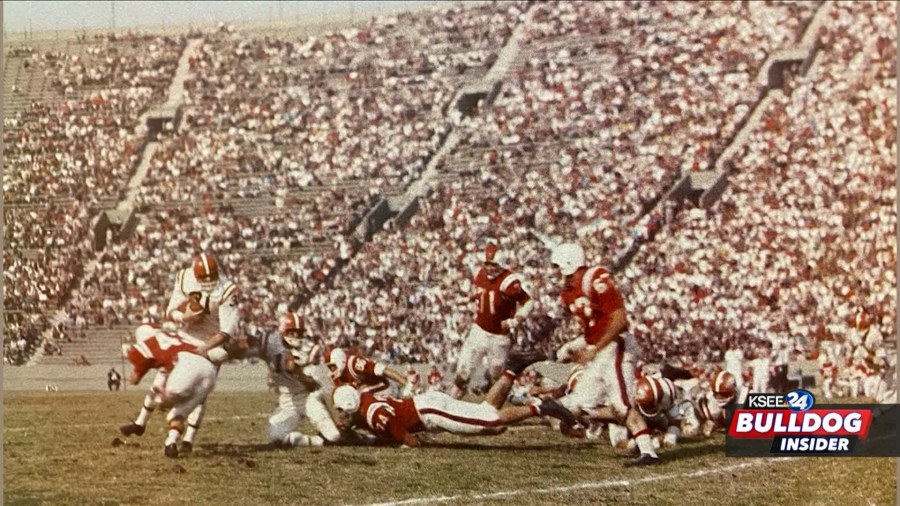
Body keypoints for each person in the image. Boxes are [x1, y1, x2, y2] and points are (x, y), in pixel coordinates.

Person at [120, 252, 243, 454]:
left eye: (212, 276)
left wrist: (203, 350)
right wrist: (183, 315)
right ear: (195, 276)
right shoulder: (184, 278)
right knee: (161, 381)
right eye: (204, 277)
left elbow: (226, 332)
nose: (209, 281)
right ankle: (140, 423)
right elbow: (170, 311)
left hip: (209, 343)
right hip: (184, 336)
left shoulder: (227, 290)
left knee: (196, 393)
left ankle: (185, 440)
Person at [549, 242, 658, 466]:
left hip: (617, 346)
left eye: (558, 266)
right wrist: (578, 346)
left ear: (569, 264)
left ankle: (649, 451)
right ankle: (637, 431)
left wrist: (593, 349)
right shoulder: (568, 294)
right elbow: (592, 328)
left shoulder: (595, 278)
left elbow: (619, 319)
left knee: (620, 405)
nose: (557, 272)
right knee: (583, 404)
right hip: (600, 351)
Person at [331, 352, 574, 447]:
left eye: (342, 412)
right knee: (486, 410)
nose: (340, 416)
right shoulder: (362, 402)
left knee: (491, 423)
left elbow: (411, 442)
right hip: (427, 407)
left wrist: (394, 443)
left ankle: (541, 407)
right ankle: (512, 369)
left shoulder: (374, 414)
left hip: (430, 411)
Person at [451, 244, 538, 399]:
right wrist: (467, 299)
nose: (489, 268)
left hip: (499, 337)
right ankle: (449, 407)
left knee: (496, 377)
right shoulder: (480, 275)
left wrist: (515, 320)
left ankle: (494, 412)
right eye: (487, 264)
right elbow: (483, 293)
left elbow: (529, 302)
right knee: (462, 373)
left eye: (493, 264)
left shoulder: (509, 282)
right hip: (479, 330)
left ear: (501, 264)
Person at [123, 326, 218, 458]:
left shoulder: (147, 346)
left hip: (185, 366)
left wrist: (133, 367)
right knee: (179, 410)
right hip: (209, 370)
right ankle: (170, 443)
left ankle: (148, 425)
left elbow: (134, 379)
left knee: (162, 395)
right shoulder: (174, 337)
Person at [325, 347, 407, 396]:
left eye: (332, 366)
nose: (332, 370)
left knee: (362, 394)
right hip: (371, 393)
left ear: (340, 360)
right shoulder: (336, 378)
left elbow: (384, 370)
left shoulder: (354, 364)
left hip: (385, 386)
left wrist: (407, 384)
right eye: (329, 367)